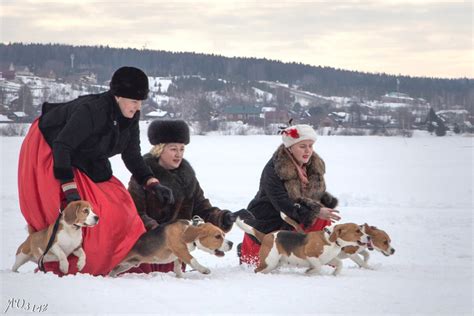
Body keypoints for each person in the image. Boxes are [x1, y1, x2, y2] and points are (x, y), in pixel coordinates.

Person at [18, 66, 174, 276]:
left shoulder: (131, 116)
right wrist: (69, 190)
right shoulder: (92, 110)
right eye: (134, 101)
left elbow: (132, 154)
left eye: (140, 102)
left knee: (121, 204)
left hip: (88, 154)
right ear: (118, 96)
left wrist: (151, 182)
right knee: (87, 210)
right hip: (51, 147)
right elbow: (63, 146)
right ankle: (66, 260)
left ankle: (122, 259)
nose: (138, 107)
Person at [128, 119, 251, 273]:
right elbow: (135, 213)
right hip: (148, 252)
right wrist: (162, 233)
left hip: (177, 256)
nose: (178, 154)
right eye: (173, 149)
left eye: (182, 149)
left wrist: (226, 217)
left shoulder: (188, 178)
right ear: (159, 149)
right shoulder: (142, 177)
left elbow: (203, 209)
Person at [238, 124, 341, 265]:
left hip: (294, 217)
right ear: (290, 147)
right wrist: (315, 211)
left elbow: (315, 194)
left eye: (311, 146)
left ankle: (316, 253)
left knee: (323, 217)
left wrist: (323, 207)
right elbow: (282, 203)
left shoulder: (313, 166)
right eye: (302, 146)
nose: (308, 151)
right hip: (269, 219)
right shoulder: (274, 169)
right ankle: (246, 250)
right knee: (260, 263)